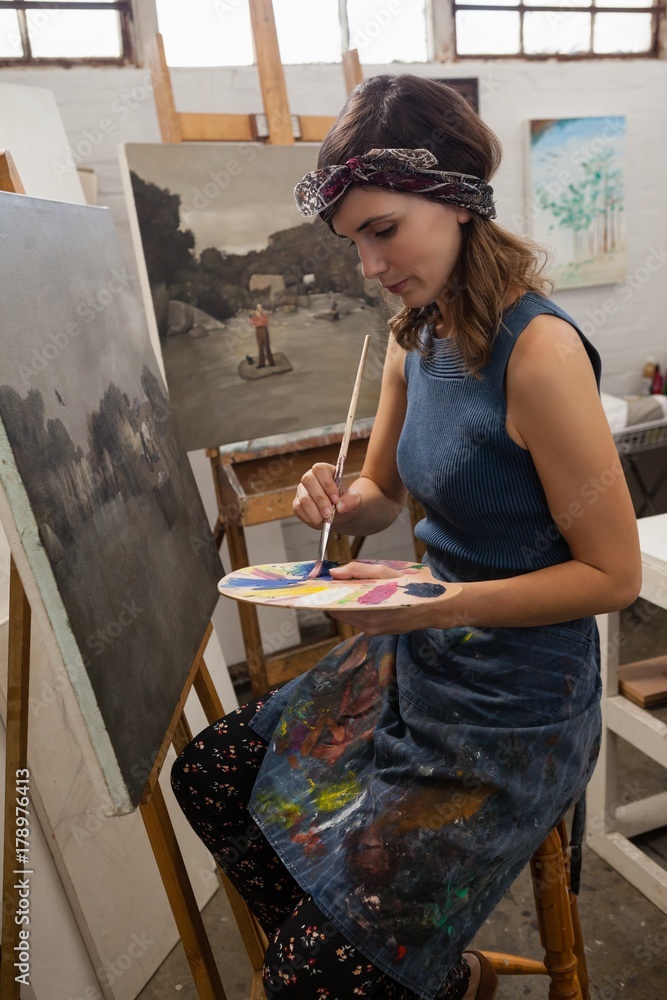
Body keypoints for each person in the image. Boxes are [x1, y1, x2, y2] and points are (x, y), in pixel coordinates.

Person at [172, 75, 641, 1000]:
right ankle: (416, 977)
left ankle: (368, 972)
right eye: (353, 244)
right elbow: (381, 491)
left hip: (519, 702)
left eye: (383, 230)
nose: (371, 266)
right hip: (423, 653)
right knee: (210, 776)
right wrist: (341, 502)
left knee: (309, 976)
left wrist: (438, 602)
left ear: (457, 200)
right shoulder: (411, 336)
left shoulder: (538, 355)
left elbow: (612, 575)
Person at [249, 302, 276, 367]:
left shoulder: (264, 315)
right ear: (257, 309)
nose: (260, 309)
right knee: (260, 346)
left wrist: (258, 320)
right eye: (259, 308)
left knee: (267, 346)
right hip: (258, 330)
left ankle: (271, 362)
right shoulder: (254, 316)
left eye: (261, 307)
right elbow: (252, 323)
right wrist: (252, 316)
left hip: (264, 330)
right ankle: (261, 364)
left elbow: (265, 322)